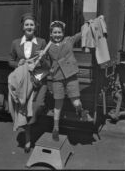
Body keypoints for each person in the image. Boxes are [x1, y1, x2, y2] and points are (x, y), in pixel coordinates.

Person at [8, 13, 49, 153]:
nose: (29, 27)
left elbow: (48, 64)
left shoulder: (42, 42)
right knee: (24, 110)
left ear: (35, 27)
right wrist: (17, 63)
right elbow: (10, 61)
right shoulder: (15, 43)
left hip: (38, 80)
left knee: (38, 106)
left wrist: (42, 59)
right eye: (27, 24)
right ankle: (28, 139)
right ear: (23, 27)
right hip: (23, 82)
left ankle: (30, 128)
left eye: (31, 24)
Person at [46, 21, 93, 141]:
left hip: (71, 75)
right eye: (55, 32)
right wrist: (49, 68)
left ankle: (81, 111)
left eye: (59, 32)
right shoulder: (48, 46)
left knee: (76, 101)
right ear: (51, 34)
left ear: (63, 33)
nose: (57, 35)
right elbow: (45, 62)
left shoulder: (69, 40)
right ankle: (55, 128)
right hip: (57, 77)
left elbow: (81, 34)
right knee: (58, 104)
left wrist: (88, 24)